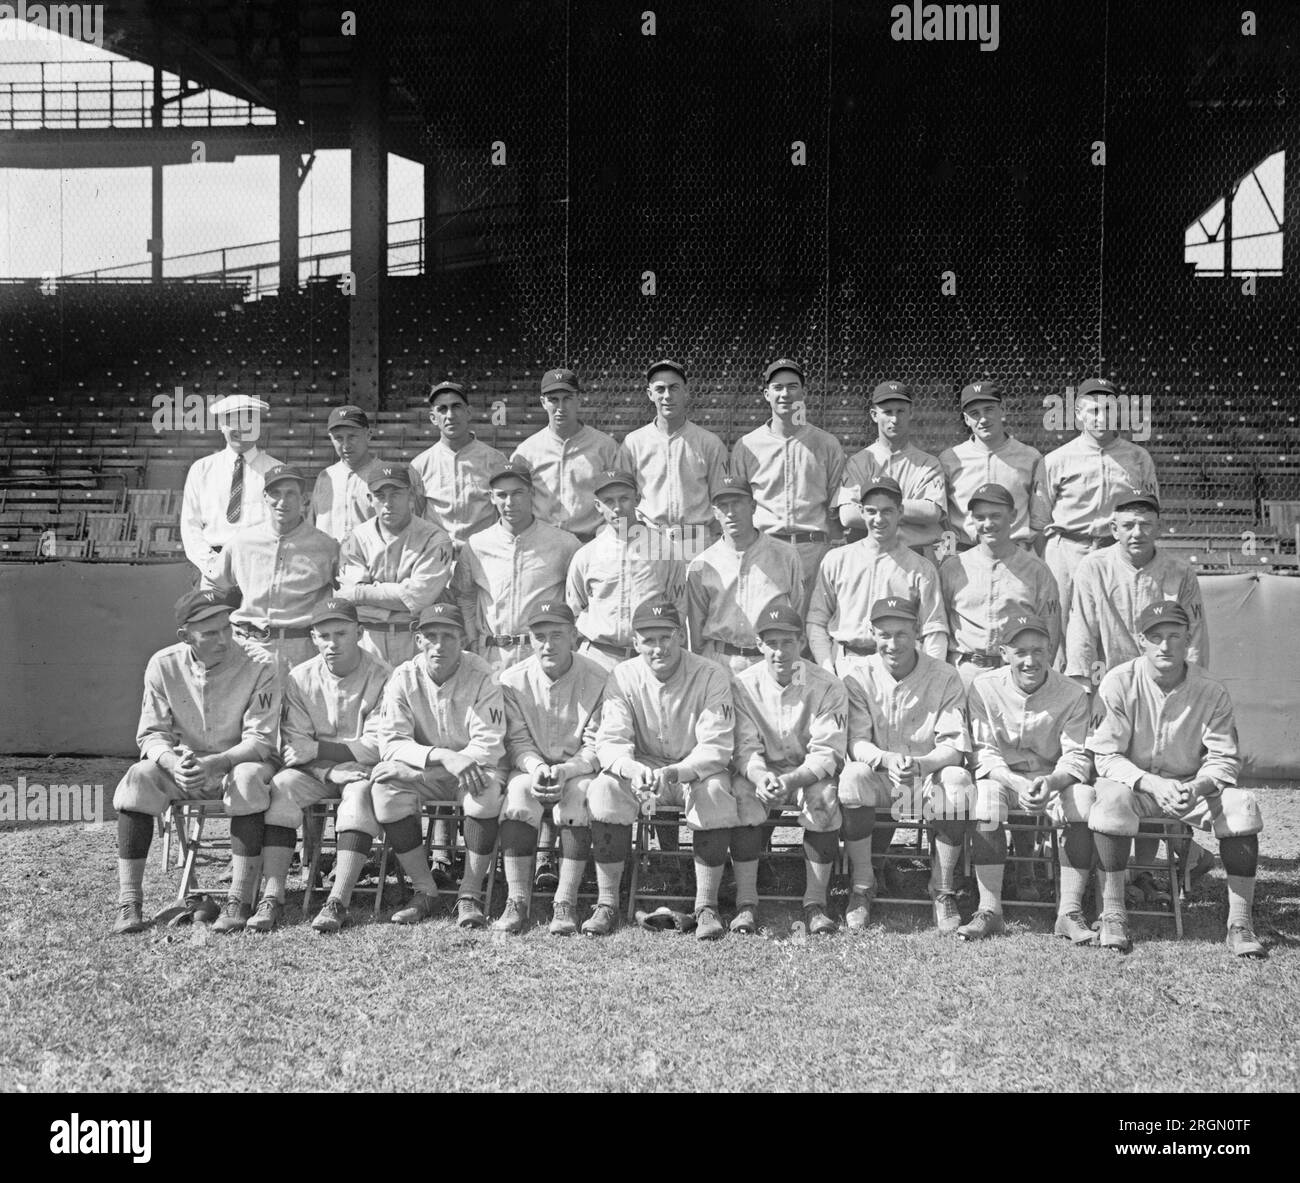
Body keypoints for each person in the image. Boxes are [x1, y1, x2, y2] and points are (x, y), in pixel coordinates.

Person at [1085, 601, 1265, 958]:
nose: (1165, 646)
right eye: (1156, 637)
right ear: (1142, 641)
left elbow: (1225, 759)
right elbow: (1105, 755)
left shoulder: (1211, 689)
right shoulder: (1119, 681)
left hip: (1190, 787)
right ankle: (1114, 913)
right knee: (1110, 800)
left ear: (1188, 640)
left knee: (1242, 805)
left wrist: (1196, 786)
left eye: (1174, 637)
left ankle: (1240, 923)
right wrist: (1150, 783)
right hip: (1136, 784)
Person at [111, 588, 278, 935]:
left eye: (227, 628)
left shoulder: (261, 662)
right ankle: (130, 902)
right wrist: (173, 764)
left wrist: (218, 763)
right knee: (137, 778)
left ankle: (240, 899)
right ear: (185, 637)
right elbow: (151, 734)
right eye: (210, 633)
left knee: (247, 778)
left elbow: (261, 740)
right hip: (186, 767)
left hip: (240, 762)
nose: (223, 639)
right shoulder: (163, 664)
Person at [585, 601, 744, 939]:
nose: (659, 648)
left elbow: (716, 745)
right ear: (636, 641)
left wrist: (678, 772)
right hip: (643, 769)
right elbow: (611, 739)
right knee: (604, 789)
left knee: (716, 791)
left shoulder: (711, 673)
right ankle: (607, 902)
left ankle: (706, 906)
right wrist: (630, 768)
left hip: (693, 768)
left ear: (681, 635)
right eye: (649, 639)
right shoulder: (622, 675)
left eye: (666, 637)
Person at [839, 597, 974, 933]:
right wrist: (885, 759)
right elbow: (856, 742)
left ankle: (942, 889)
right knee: (853, 777)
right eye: (884, 634)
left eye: (902, 634)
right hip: (883, 777)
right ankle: (862, 885)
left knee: (957, 780)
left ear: (917, 631)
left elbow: (954, 746)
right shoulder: (858, 676)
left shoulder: (944, 675)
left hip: (925, 778)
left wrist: (922, 764)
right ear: (872, 633)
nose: (893, 643)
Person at [369, 602, 507, 928]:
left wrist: (429, 768)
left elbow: (488, 746)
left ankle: (469, 894)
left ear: (463, 638)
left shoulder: (484, 675)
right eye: (431, 636)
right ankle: (425, 890)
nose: (439, 644)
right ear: (418, 640)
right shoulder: (403, 677)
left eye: (449, 635)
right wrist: (442, 758)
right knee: (386, 791)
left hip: (473, 769)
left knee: (484, 795)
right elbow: (390, 742)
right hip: (432, 768)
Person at [257, 598, 390, 934]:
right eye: (324, 635)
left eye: (341, 633)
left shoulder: (383, 675)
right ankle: (272, 896)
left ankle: (338, 900)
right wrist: (328, 769)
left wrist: (317, 749)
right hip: (317, 772)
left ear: (359, 632)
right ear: (313, 637)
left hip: (363, 771)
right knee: (282, 787)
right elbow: (293, 747)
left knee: (358, 794)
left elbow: (376, 745)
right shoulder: (299, 678)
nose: (333, 643)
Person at [964, 613, 1093, 941]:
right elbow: (983, 752)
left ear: (1050, 650)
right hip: (1005, 778)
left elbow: (1076, 756)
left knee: (1083, 799)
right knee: (986, 798)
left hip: (1052, 780)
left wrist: (1050, 783)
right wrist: (1015, 782)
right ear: (1005, 652)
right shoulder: (984, 687)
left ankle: (1070, 912)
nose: (1030, 660)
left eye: (1038, 650)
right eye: (1020, 652)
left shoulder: (1073, 693)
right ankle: (989, 909)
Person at [731, 604, 848, 936]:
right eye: (772, 643)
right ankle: (746, 903)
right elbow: (743, 746)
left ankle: (815, 904)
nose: (779, 651)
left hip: (806, 773)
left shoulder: (827, 685)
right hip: (762, 771)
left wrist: (793, 778)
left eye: (788, 642)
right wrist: (757, 775)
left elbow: (828, 753)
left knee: (824, 798)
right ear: (759, 645)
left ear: (801, 643)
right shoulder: (743, 684)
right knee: (742, 795)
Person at [496, 602, 606, 935]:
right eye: (539, 636)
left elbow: (597, 745)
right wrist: (537, 767)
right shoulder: (512, 679)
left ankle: (566, 901)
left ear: (574, 635)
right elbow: (516, 741)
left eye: (557, 634)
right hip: (531, 767)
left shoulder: (599, 677)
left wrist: (567, 771)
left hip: (579, 770)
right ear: (529, 640)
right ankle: (517, 900)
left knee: (579, 797)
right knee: (517, 794)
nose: (548, 644)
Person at [1042, 376, 1159, 651]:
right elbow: (1040, 518)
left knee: (1115, 628)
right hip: (1067, 550)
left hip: (1114, 551)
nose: (1101, 417)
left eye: (1108, 409)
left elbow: (1151, 510)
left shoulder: (1138, 458)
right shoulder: (1057, 459)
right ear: (1078, 414)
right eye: (1094, 410)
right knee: (1061, 630)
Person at [730, 358, 845, 614]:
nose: (785, 393)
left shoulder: (826, 444)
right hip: (766, 547)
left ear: (803, 393)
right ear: (766, 394)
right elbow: (738, 506)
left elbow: (835, 506)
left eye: (792, 386)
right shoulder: (747, 445)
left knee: (812, 627)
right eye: (778, 387)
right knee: (766, 627)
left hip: (813, 549)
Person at [204, 464, 339, 680]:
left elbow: (344, 597)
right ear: (265, 497)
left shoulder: (327, 546)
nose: (282, 501)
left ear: (304, 499)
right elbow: (212, 585)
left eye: (291, 494)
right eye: (275, 493)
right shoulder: (242, 542)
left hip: (301, 649)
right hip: (248, 646)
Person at [807, 476, 948, 674]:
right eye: (871, 511)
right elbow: (817, 621)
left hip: (899, 666)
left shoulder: (921, 568)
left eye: (887, 511)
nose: (879, 519)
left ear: (900, 512)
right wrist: (827, 666)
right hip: (847, 663)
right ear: (861, 512)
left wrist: (929, 676)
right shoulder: (836, 560)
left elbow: (933, 630)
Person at [453, 459, 582, 674]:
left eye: (518, 493)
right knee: (493, 707)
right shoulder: (477, 545)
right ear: (491, 498)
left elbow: (578, 601)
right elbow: (464, 596)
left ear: (532, 493)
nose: (510, 502)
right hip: (492, 655)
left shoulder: (564, 543)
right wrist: (473, 640)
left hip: (541, 652)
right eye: (502, 495)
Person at [938, 482, 1061, 686]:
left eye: (995, 516)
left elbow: (1051, 629)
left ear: (1012, 516)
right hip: (965, 671)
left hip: (1014, 674)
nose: (987, 524)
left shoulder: (1037, 570)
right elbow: (940, 624)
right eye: (980, 517)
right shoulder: (953, 567)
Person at [566, 468, 687, 671]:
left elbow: (678, 608)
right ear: (598, 505)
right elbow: (575, 610)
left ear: (637, 499)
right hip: (599, 658)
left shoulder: (666, 550)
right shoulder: (586, 555)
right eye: (609, 501)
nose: (617, 508)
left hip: (648, 659)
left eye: (624, 499)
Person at [685, 475, 804, 677]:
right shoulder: (702, 564)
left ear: (753, 506)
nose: (731, 512)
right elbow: (695, 629)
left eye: (738, 503)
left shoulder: (785, 555)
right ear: (715, 512)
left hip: (769, 661)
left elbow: (798, 614)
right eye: (723, 506)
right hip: (719, 660)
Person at [337, 464, 453, 668]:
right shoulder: (354, 538)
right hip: (368, 640)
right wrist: (400, 595)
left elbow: (420, 597)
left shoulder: (436, 538)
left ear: (411, 497)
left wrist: (360, 594)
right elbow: (349, 597)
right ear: (370, 499)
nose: (388, 503)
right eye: (380, 496)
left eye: (396, 494)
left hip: (415, 639)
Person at [616, 358, 728, 562]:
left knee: (696, 594)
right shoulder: (633, 443)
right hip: (649, 539)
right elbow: (621, 497)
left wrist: (716, 540)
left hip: (698, 542)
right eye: (660, 389)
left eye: (674, 388)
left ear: (686, 392)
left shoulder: (709, 443)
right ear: (650, 394)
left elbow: (722, 499)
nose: (667, 395)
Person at [836, 380, 946, 560]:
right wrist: (908, 515)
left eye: (901, 411)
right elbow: (848, 515)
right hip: (867, 557)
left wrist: (873, 511)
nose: (894, 419)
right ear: (874, 415)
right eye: (887, 412)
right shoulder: (858, 462)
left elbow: (931, 512)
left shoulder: (929, 463)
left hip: (915, 555)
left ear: (911, 413)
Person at [180, 394, 284, 581]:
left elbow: (283, 526)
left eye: (248, 421)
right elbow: (190, 525)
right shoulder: (201, 469)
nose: (239, 428)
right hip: (211, 567)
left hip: (262, 567)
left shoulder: (277, 471)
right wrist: (211, 564)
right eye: (231, 421)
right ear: (221, 426)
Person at [510, 367, 620, 544]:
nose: (561, 407)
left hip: (591, 543)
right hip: (543, 545)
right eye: (553, 400)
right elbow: (515, 500)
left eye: (567, 398)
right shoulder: (526, 452)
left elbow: (619, 498)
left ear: (579, 400)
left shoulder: (605, 446)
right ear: (543, 402)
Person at [938, 381, 1050, 552]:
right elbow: (942, 521)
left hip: (1016, 555)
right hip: (965, 555)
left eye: (989, 409)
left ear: (1002, 409)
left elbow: (1039, 519)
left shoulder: (1030, 457)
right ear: (966, 419)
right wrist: (946, 558)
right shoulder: (949, 459)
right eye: (974, 413)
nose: (983, 419)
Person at [409, 380, 507, 553]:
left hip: (485, 555)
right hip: (438, 557)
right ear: (433, 417)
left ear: (468, 412)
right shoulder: (419, 465)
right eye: (442, 409)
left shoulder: (495, 460)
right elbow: (413, 518)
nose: (450, 415)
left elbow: (505, 514)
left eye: (456, 407)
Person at [308, 404, 425, 543]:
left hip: (372, 561)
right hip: (329, 560)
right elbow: (311, 526)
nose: (346, 445)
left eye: (352, 436)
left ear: (368, 435)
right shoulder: (325, 476)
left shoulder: (387, 476)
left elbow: (405, 528)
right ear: (330, 438)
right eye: (338, 438)